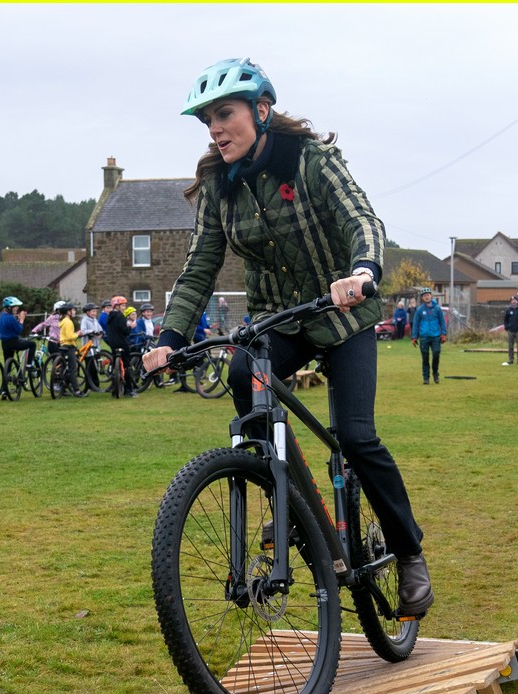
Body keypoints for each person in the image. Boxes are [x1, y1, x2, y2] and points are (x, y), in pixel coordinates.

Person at [142, 57, 433, 618]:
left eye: (224, 114)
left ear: (261, 110)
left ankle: (409, 553)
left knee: (355, 435)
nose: (215, 129)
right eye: (207, 121)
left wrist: (365, 271)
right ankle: (285, 492)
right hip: (280, 319)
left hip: (343, 315)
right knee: (240, 373)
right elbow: (200, 266)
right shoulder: (218, 188)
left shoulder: (310, 162)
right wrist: (171, 335)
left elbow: (362, 221)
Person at [410, 287, 448, 384]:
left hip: (435, 336)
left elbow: (442, 322)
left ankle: (435, 374)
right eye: (424, 296)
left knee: (436, 354)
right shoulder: (419, 310)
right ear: (422, 298)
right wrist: (414, 337)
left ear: (431, 296)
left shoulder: (437, 309)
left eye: (428, 295)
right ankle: (426, 378)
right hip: (424, 337)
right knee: (425, 358)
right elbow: (416, 323)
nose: (426, 297)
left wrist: (443, 334)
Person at [104, 294, 137, 397]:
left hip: (113, 343)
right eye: (122, 306)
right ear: (116, 306)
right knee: (127, 366)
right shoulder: (120, 316)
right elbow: (125, 331)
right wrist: (131, 326)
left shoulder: (110, 316)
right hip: (122, 343)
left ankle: (115, 390)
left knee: (115, 366)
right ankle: (129, 390)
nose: (124, 308)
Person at [0, 296, 36, 371]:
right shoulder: (11, 318)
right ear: (9, 307)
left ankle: (6, 379)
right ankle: (28, 365)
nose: (17, 308)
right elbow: (18, 330)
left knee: (7, 364)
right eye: (15, 306)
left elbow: (11, 327)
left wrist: (18, 320)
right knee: (32, 344)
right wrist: (22, 320)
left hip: (4, 343)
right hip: (13, 342)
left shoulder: (2, 315)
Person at [57, 301, 86, 397]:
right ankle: (76, 391)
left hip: (62, 346)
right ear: (68, 312)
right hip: (69, 346)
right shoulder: (69, 322)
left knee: (63, 368)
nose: (74, 312)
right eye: (73, 310)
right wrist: (78, 334)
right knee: (73, 369)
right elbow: (70, 336)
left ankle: (63, 389)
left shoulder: (63, 321)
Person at [502, 295, 518, 366]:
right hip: (510, 331)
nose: (513, 301)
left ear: (517, 301)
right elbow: (505, 320)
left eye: (514, 300)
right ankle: (511, 359)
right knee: (510, 346)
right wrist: (507, 327)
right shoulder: (509, 310)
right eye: (512, 300)